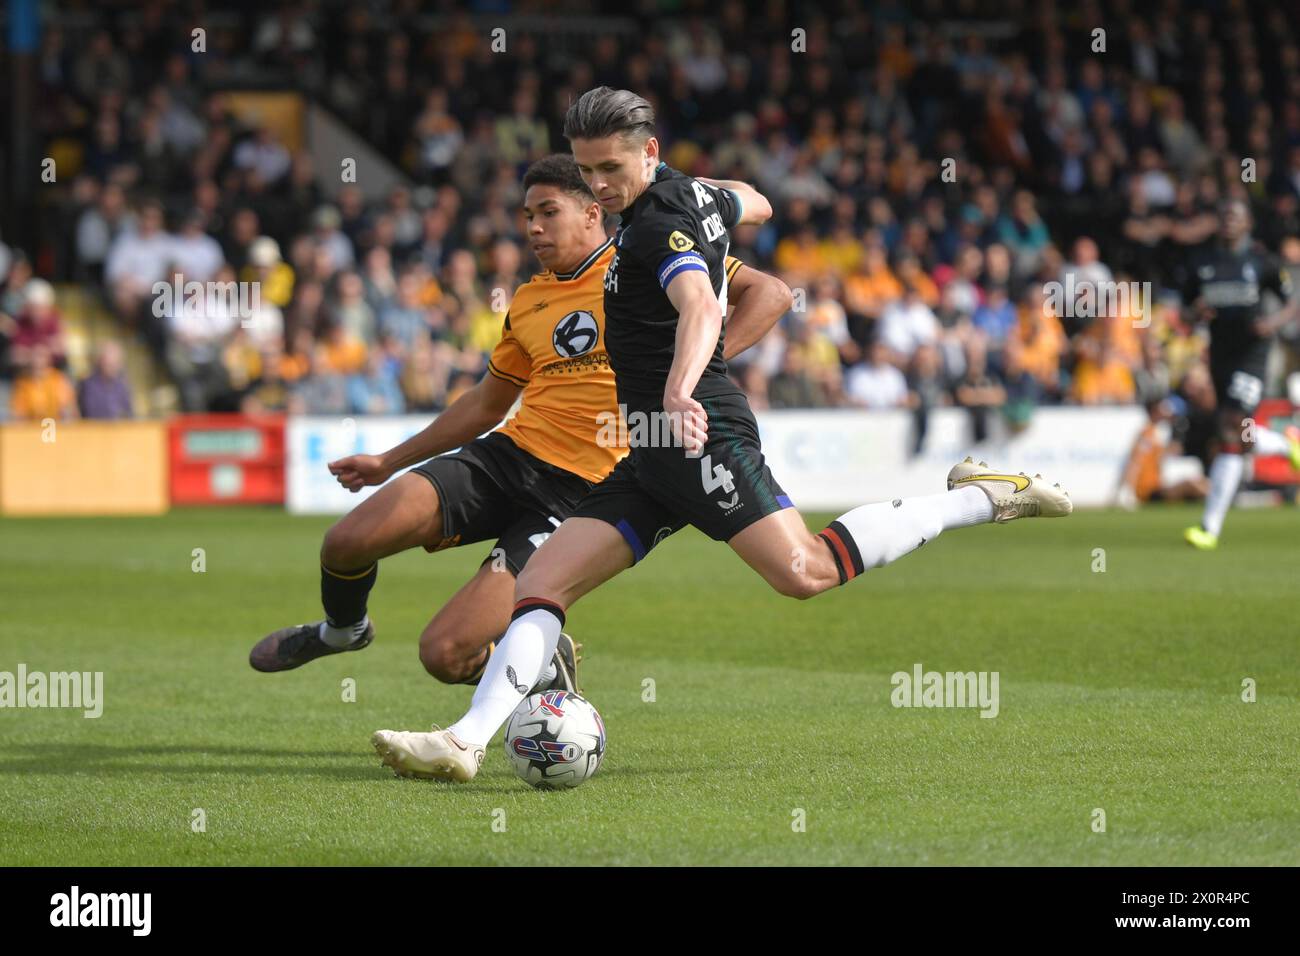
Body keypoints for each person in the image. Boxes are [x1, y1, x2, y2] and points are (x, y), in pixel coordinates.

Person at [371, 88, 1073, 783]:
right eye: (588, 171)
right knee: (543, 582)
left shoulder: (653, 227)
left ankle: (981, 498)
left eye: (611, 169)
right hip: (650, 447)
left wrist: (682, 386)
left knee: (805, 573)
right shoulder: (690, 195)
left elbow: (701, 302)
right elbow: (756, 201)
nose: (600, 186)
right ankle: (464, 742)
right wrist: (713, 200)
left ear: (649, 152)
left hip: (694, 434)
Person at [249, 154, 790, 697]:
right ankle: (343, 631)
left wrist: (690, 370)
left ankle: (539, 669)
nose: (533, 227)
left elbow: (771, 294)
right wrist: (388, 462)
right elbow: (488, 403)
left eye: (547, 212)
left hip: (582, 490)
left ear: (591, 212)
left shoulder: (648, 256)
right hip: (508, 456)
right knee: (346, 542)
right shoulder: (530, 298)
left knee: (445, 653)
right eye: (527, 214)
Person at [1180, 199, 1300, 549]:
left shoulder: (1261, 262)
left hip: (1253, 354)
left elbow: (1292, 301)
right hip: (1220, 355)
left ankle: (1209, 528)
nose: (1229, 220)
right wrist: (1194, 314)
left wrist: (1272, 322)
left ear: (1248, 224)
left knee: (1231, 425)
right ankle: (1283, 443)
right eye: (1224, 214)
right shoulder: (1202, 264)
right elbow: (1187, 310)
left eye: (1235, 215)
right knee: (1238, 434)